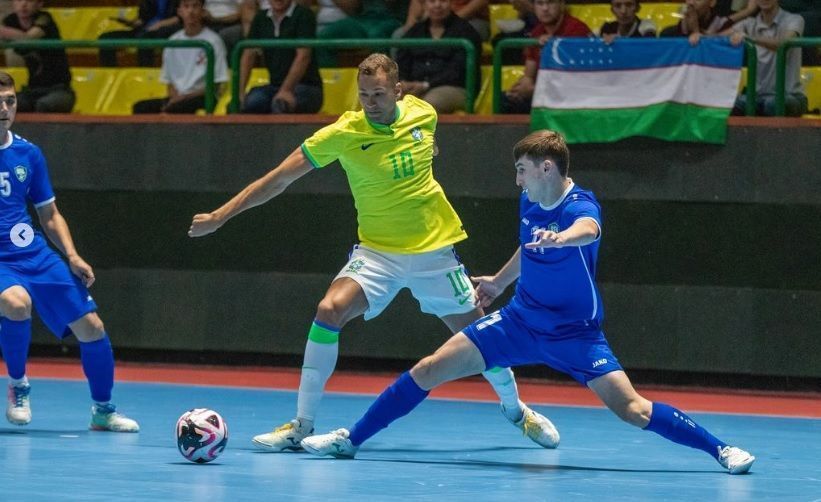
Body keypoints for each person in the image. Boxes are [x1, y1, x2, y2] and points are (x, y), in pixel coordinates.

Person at [300, 130, 757, 476]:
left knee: (632, 409)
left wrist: (563, 239)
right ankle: (351, 439)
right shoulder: (529, 201)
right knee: (428, 368)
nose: (516, 177)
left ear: (545, 168)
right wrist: (498, 282)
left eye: (521, 168)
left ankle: (721, 449)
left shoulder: (579, 204)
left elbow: (589, 231)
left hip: (576, 335)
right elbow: (527, 248)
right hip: (519, 322)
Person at [189, 54, 559, 453]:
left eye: (379, 94)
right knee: (329, 310)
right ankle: (301, 424)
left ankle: (517, 411)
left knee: (483, 336)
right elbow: (279, 178)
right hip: (377, 254)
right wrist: (221, 216)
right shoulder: (343, 133)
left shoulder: (424, 113)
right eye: (363, 95)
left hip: (434, 253)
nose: (370, 102)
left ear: (398, 91)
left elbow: (424, 146)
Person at [0, 71, 139, 433]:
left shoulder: (28, 153)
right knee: (16, 303)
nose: (4, 108)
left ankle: (103, 411)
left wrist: (73, 255)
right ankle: (17, 384)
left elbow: (49, 214)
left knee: (92, 327)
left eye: (10, 101)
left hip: (33, 253)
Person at [132, 0, 229, 114]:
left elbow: (216, 85)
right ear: (179, 12)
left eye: (195, 6)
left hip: (202, 96)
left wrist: (184, 98)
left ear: (202, 11)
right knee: (140, 107)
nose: (190, 11)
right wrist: (174, 98)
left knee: (177, 108)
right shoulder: (173, 41)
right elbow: (169, 81)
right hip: (178, 97)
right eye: (186, 6)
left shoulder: (214, 41)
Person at [501, 0, 591, 115]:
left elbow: (579, 82)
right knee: (506, 99)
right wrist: (521, 89)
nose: (545, 8)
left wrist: (535, 91)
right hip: (543, 94)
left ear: (562, 5)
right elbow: (528, 76)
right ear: (534, 7)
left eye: (550, 2)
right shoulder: (536, 33)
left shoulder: (577, 30)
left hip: (570, 98)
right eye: (540, 3)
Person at [396, 0, 483, 114]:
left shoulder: (466, 31)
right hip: (415, 87)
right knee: (387, 100)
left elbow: (457, 71)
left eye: (443, 1)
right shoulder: (414, 32)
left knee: (427, 105)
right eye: (432, 1)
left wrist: (426, 85)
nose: (437, 5)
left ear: (451, 3)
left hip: (454, 88)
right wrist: (404, 82)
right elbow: (402, 62)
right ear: (424, 5)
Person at [238, 0, 322, 114]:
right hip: (274, 86)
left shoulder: (304, 15)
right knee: (250, 103)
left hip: (307, 87)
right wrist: (240, 92)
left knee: (281, 105)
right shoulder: (261, 17)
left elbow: (303, 56)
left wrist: (286, 90)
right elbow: (248, 54)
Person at [726, 0, 808, 116]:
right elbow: (717, 35)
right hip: (757, 97)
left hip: (790, 96)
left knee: (773, 104)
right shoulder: (748, 23)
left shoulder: (795, 19)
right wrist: (696, 33)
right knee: (730, 104)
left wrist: (750, 38)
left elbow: (782, 44)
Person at [0, 0, 74, 113]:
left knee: (43, 105)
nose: (23, 5)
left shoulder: (45, 18)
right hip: (32, 90)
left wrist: (3, 32)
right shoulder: (11, 21)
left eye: (29, 0)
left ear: (39, 4)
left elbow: (28, 38)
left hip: (59, 90)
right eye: (19, 0)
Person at [98, 0, 182, 67]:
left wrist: (158, 25)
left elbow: (179, 18)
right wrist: (131, 23)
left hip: (165, 31)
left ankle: (144, 75)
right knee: (105, 39)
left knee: (145, 40)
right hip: (144, 30)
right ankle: (110, 75)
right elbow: (142, 19)